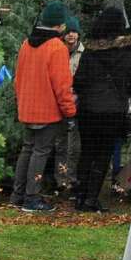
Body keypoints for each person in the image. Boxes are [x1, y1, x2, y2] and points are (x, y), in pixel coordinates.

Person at [10, 1, 77, 212]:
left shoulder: (26, 44)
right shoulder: (57, 47)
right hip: (48, 111)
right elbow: (62, 86)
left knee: (28, 150)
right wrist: (70, 112)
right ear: (60, 25)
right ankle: (31, 198)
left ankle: (17, 195)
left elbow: (17, 78)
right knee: (40, 152)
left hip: (27, 108)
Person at [72, 6, 131, 213]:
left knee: (87, 152)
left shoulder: (90, 52)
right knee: (103, 154)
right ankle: (91, 198)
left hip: (88, 110)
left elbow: (78, 82)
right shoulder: (128, 52)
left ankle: (80, 196)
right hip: (113, 111)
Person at [52, 15, 85, 193]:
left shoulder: (83, 53)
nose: (71, 35)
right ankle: (60, 179)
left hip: (77, 103)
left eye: (74, 32)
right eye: (68, 32)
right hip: (59, 102)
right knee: (60, 143)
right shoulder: (57, 50)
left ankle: (71, 178)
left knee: (75, 144)